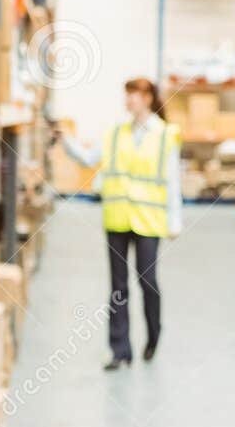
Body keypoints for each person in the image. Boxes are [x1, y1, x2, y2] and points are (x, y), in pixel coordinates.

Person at [62, 77, 183, 369]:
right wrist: (64, 140)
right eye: (127, 95)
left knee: (147, 280)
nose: (129, 100)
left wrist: (174, 220)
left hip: (149, 220)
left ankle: (154, 335)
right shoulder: (115, 134)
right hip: (117, 218)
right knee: (118, 286)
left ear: (149, 98)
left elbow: (172, 181)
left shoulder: (166, 135)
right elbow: (88, 158)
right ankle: (120, 350)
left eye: (134, 95)